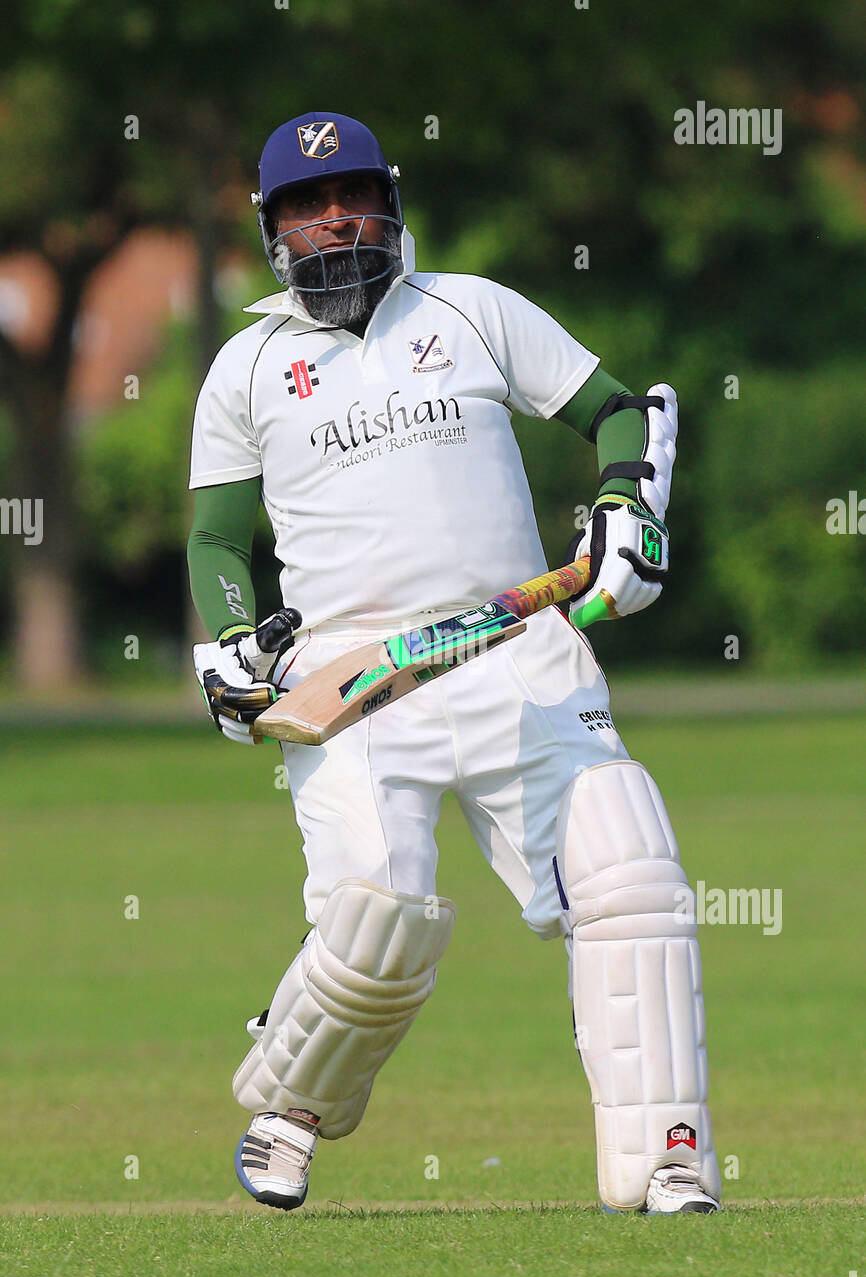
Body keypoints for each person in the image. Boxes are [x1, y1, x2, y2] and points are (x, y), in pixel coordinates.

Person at [187, 111, 721, 1216]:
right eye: (305, 204)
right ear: (271, 227)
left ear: (391, 202)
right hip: (352, 675)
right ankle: (288, 1106)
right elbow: (212, 542)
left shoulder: (471, 310)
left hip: (517, 646)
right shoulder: (246, 368)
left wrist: (625, 505)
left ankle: (665, 1154)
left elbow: (623, 413)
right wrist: (231, 644)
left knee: (629, 876)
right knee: (378, 922)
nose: (335, 219)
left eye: (355, 196)